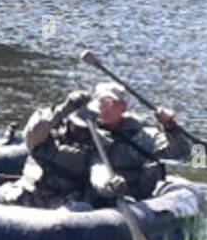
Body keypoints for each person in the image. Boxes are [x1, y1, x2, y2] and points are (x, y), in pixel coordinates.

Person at [12, 81, 190, 208]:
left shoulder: (142, 136)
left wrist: (171, 127)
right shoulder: (85, 130)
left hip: (125, 198)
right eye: (100, 102)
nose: (104, 107)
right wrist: (64, 109)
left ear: (123, 107)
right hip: (76, 195)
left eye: (109, 102)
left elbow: (186, 153)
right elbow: (34, 134)